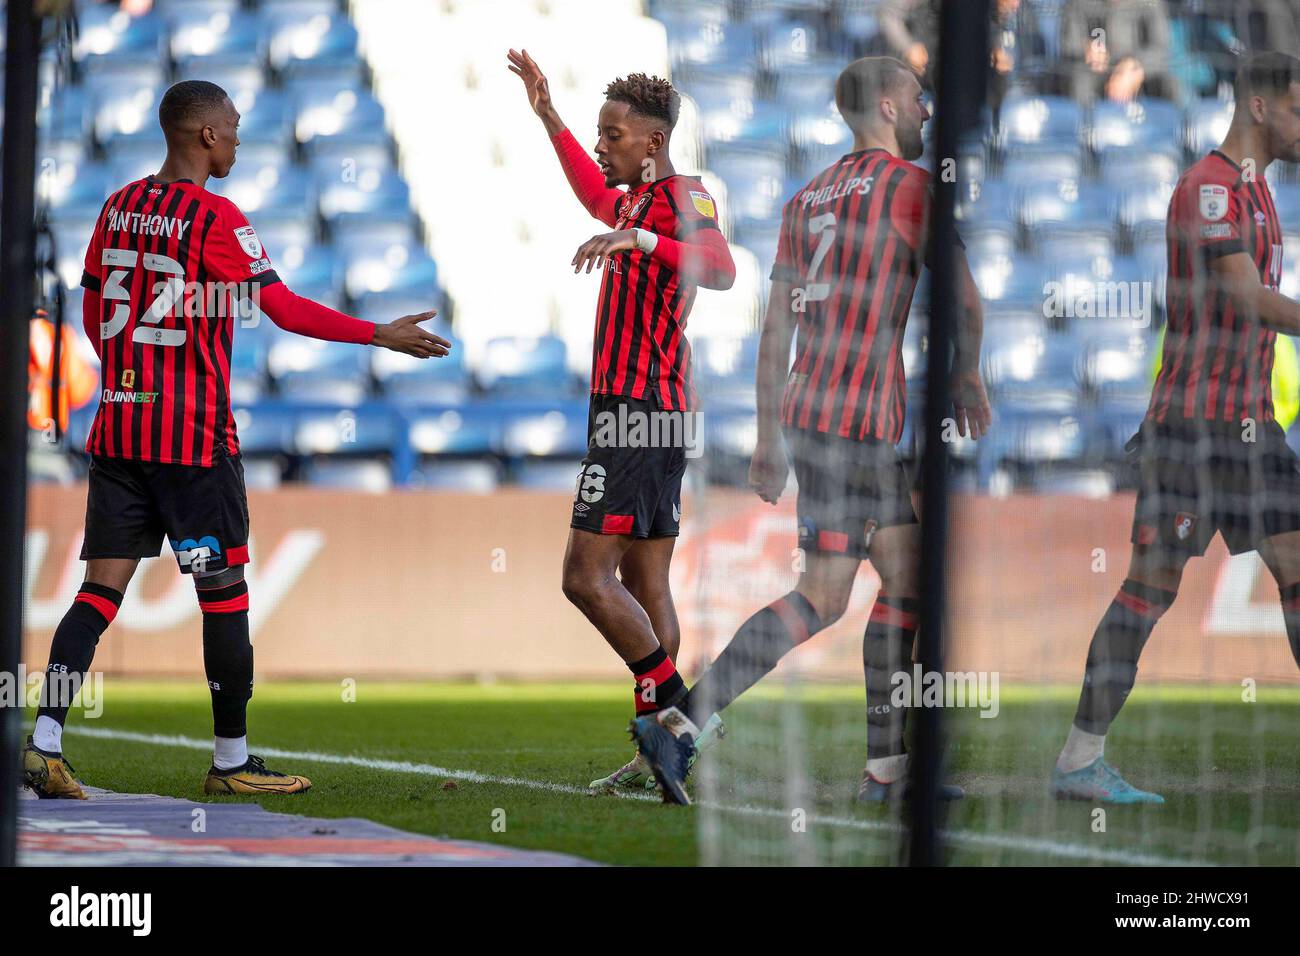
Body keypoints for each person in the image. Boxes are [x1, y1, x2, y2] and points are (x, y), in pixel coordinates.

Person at [22, 80, 448, 799]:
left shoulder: (118, 204)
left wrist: (132, 368)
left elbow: (94, 309)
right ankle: (231, 764)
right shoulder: (215, 217)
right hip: (190, 442)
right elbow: (279, 307)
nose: (241, 140)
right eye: (234, 126)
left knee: (99, 591)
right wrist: (378, 333)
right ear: (206, 136)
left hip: (122, 430)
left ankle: (44, 743)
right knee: (223, 593)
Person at [632, 57, 991, 806]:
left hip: (810, 417)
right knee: (882, 589)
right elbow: (964, 301)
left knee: (835, 594)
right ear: (888, 106)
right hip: (864, 420)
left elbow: (775, 333)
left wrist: (770, 437)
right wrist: (969, 378)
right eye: (919, 99)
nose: (927, 111)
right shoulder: (914, 189)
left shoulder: (806, 200)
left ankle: (689, 723)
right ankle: (882, 772)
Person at [1053, 52, 1300, 804]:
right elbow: (1246, 297)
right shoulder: (1210, 189)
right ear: (1259, 106)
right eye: (1297, 107)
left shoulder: (1260, 193)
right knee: (1148, 590)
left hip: (1254, 429)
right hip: (1194, 430)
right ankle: (1077, 762)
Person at [507, 50, 736, 794]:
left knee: (584, 577)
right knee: (645, 581)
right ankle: (658, 756)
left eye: (612, 134)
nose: (603, 146)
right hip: (650, 411)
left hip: (642, 410)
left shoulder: (683, 195)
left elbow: (722, 268)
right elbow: (588, 191)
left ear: (653, 143)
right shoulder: (633, 201)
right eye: (602, 134)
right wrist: (549, 118)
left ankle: (681, 713)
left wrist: (639, 242)